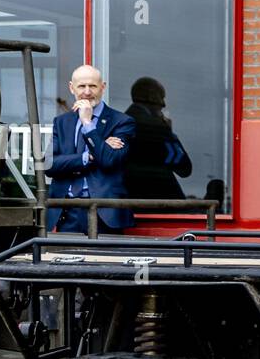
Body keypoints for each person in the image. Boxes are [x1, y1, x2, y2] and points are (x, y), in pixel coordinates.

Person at [46, 64, 136, 234]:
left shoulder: (122, 121)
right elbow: (49, 164)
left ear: (103, 87)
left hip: (105, 215)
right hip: (67, 212)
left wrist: (87, 123)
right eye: (82, 86)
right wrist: (89, 156)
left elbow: (109, 160)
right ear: (72, 88)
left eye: (93, 86)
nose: (87, 92)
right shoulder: (62, 122)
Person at [123, 76, 193, 200]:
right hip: (160, 198)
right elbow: (184, 168)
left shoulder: (121, 124)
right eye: (162, 97)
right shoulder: (156, 126)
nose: (164, 104)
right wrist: (170, 133)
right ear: (152, 97)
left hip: (130, 199)